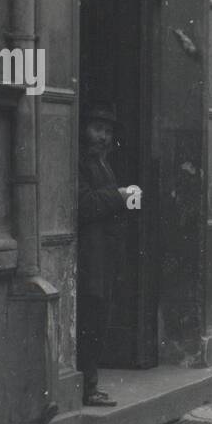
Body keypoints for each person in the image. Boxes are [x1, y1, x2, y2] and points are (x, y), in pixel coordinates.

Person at [77, 105, 137, 407]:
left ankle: (90, 384)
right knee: (90, 319)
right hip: (88, 259)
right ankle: (87, 387)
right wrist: (120, 196)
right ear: (85, 130)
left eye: (108, 132)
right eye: (97, 129)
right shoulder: (80, 162)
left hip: (104, 257)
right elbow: (83, 203)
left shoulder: (103, 164)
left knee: (99, 320)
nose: (102, 137)